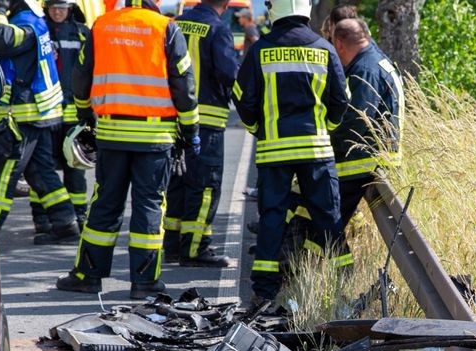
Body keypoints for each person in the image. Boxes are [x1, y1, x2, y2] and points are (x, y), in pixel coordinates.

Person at [54, 0, 199, 299]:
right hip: (155, 135)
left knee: (105, 203)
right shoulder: (166, 28)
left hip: (111, 133)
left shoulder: (103, 26)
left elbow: (81, 75)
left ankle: (87, 275)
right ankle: (144, 282)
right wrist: (190, 130)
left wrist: (84, 114)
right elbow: (183, 84)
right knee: (149, 206)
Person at [234, 0, 348, 306]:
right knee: (328, 216)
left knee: (272, 219)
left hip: (274, 153)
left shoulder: (260, 50)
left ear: (275, 10)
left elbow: (242, 99)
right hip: (316, 150)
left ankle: (264, 292)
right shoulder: (323, 48)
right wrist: (327, 126)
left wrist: (259, 128)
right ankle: (343, 285)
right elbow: (341, 98)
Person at [0, 0, 80, 244]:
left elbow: (0, 40)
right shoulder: (37, 23)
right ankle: (65, 224)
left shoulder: (25, 24)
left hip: (22, 119)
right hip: (38, 115)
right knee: (40, 172)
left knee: (3, 176)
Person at [323, 17, 402, 271]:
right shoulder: (373, 59)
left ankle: (339, 271)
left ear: (339, 43)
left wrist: (325, 140)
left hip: (361, 161)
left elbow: (356, 120)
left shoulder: (364, 69)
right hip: (374, 158)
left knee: (322, 213)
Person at [166, 0, 238, 268]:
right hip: (207, 120)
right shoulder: (218, 29)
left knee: (177, 182)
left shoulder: (175, 23)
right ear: (227, 3)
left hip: (173, 117)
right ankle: (196, 248)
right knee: (205, 185)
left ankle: (172, 245)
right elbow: (229, 74)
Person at [30, 0, 91, 233]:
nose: (57, 11)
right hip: (46, 112)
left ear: (71, 8)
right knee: (43, 167)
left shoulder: (82, 33)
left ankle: (78, 215)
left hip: (75, 113)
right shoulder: (39, 29)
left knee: (75, 166)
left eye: (62, 7)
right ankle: (42, 218)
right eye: (53, 7)